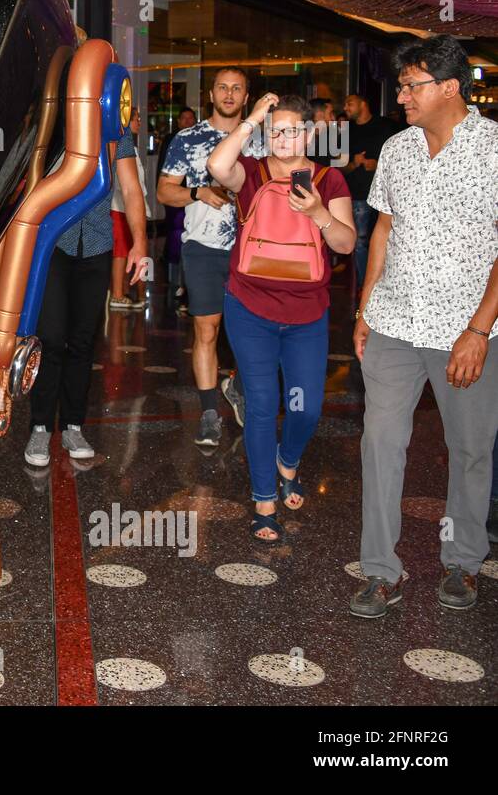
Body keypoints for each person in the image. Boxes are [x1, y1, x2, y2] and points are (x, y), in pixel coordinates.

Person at [350, 35, 498, 617]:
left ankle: (463, 562)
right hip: (393, 320)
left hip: (466, 330)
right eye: (402, 84)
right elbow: (382, 229)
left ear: (450, 87)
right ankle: (380, 571)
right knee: (380, 441)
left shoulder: (494, 150)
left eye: (413, 85)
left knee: (469, 448)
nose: (402, 95)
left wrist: (480, 329)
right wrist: (365, 308)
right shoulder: (399, 150)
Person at [207, 94, 355, 542]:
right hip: (249, 304)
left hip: (307, 314)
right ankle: (264, 498)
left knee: (305, 407)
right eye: (275, 130)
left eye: (292, 130)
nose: (283, 138)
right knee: (261, 404)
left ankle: (287, 460)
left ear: (310, 133)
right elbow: (217, 166)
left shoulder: (329, 180)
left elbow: (347, 244)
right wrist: (251, 118)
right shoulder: (250, 174)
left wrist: (318, 213)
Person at [25, 127, 147, 463]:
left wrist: (140, 242)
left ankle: (73, 426)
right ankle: (39, 428)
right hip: (52, 244)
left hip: (97, 246)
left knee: (82, 341)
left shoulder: (116, 133)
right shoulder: (55, 124)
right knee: (50, 338)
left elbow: (132, 189)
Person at [156, 68, 260, 447]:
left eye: (237, 87)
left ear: (247, 96)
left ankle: (239, 387)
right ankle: (209, 413)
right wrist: (198, 192)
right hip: (201, 248)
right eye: (222, 88)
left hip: (251, 250)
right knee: (207, 330)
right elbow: (165, 193)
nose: (229, 94)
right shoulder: (187, 139)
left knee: (251, 332)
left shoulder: (261, 142)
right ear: (211, 94)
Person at [341, 93, 397, 292]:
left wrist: (377, 165)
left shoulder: (386, 127)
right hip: (358, 194)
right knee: (361, 241)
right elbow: (337, 167)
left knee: (386, 239)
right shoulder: (345, 132)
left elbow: (398, 160)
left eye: (350, 103)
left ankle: (381, 280)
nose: (345, 108)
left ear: (363, 103)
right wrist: (353, 163)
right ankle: (366, 284)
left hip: (385, 195)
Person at [109, 106, 148, 309]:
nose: (139, 122)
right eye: (135, 118)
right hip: (120, 208)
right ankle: (116, 293)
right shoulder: (121, 147)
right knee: (121, 252)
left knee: (133, 250)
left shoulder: (130, 147)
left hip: (131, 208)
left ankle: (132, 291)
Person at [160, 107, 197, 316]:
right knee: (176, 235)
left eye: (191, 118)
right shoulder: (172, 140)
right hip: (176, 196)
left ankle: (184, 284)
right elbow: (163, 172)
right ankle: (175, 280)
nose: (188, 121)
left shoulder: (199, 140)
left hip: (194, 197)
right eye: (184, 118)